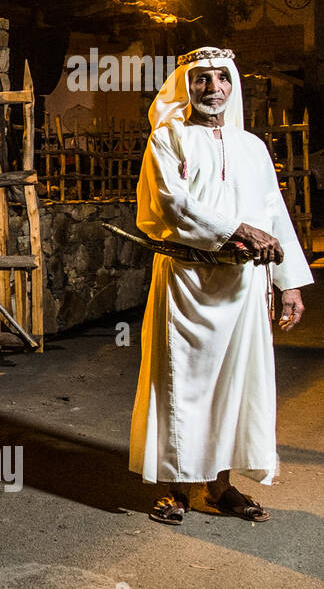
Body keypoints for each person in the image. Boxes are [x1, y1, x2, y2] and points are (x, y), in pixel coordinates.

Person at [130, 46, 311, 524]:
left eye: (221, 79)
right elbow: (171, 205)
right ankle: (175, 488)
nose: (213, 89)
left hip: (245, 287)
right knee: (181, 383)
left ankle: (220, 487)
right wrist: (237, 231)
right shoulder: (167, 139)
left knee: (237, 383)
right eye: (202, 80)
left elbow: (276, 217)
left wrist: (289, 284)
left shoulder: (252, 146)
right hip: (186, 283)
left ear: (233, 85)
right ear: (187, 86)